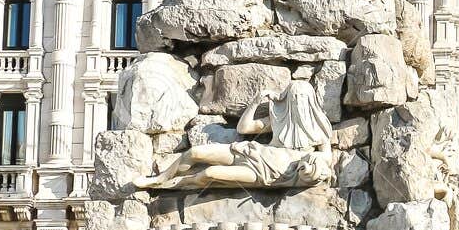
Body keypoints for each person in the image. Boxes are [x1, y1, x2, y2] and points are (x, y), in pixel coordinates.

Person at [139, 68, 333, 191]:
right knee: (196, 152)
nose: (297, 104)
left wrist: (312, 163)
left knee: (210, 174)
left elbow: (327, 158)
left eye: (301, 99)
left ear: (310, 102)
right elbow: (244, 128)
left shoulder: (320, 127)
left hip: (277, 173)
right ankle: (160, 178)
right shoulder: (278, 120)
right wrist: (256, 102)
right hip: (256, 153)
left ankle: (179, 184)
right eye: (293, 98)